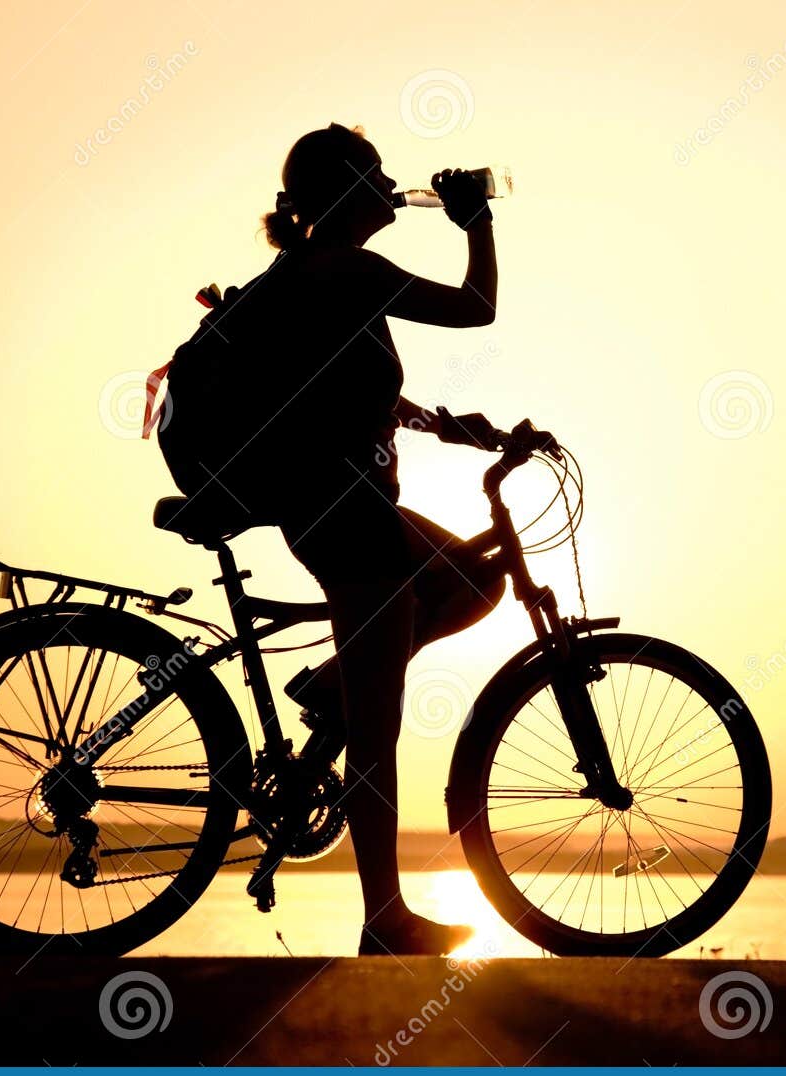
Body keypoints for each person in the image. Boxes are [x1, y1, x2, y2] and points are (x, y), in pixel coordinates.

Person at [199, 124, 538, 955]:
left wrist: (461, 430)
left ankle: (333, 684)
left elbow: (359, 398)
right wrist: (475, 219)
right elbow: (478, 308)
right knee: (379, 727)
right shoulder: (350, 268)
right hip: (342, 515)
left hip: (341, 504)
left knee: (471, 579)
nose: (392, 186)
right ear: (347, 191)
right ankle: (385, 918)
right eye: (377, 175)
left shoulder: (313, 278)